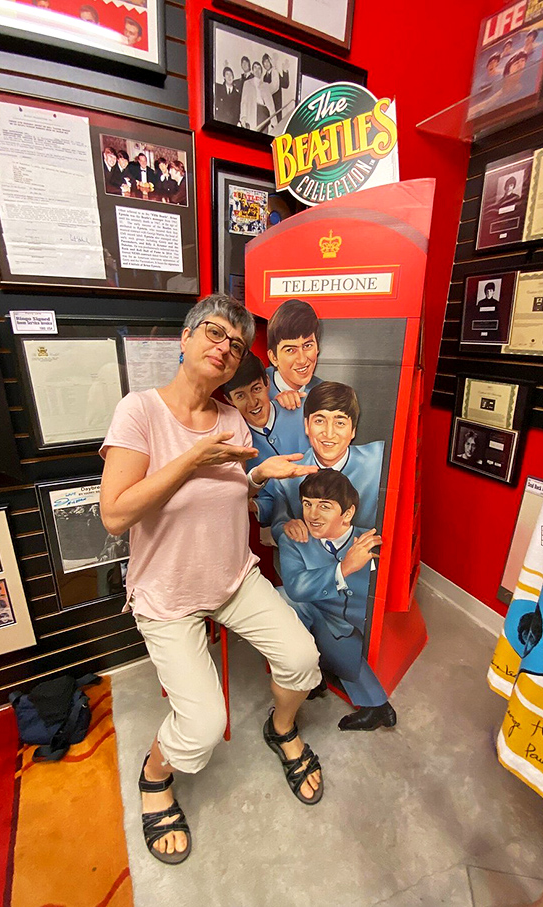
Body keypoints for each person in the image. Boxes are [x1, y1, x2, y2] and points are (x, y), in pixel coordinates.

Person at [100, 294, 325, 865]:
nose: (225, 349)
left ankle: (281, 728)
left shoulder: (228, 417)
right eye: (215, 334)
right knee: (201, 726)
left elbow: (220, 493)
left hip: (232, 578)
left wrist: (255, 477)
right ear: (186, 338)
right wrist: (189, 461)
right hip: (168, 593)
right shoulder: (139, 412)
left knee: (302, 659)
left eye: (236, 344)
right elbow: (116, 514)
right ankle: (156, 772)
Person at [279, 470, 396, 731]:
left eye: (324, 506)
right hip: (326, 615)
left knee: (334, 630)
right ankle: (312, 675)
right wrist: (343, 569)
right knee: (283, 600)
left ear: (348, 513)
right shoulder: (295, 539)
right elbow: (296, 587)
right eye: (307, 504)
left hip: (366, 621)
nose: (312, 514)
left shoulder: (371, 540)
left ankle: (375, 706)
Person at [256, 381, 385, 540]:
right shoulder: (287, 477)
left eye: (339, 423)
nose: (329, 433)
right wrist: (286, 527)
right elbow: (278, 524)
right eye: (319, 421)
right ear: (307, 426)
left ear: (353, 430)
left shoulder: (379, 458)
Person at [223, 353, 309, 473]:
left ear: (267, 383)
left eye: (256, 389)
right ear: (230, 400)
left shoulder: (302, 409)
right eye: (240, 396)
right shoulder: (237, 444)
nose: (253, 403)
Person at [266, 299, 322, 410]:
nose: (302, 360)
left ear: (317, 348)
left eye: (307, 346)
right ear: (273, 357)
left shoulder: (324, 393)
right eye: (290, 350)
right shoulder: (255, 387)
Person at [239, 61, 276, 132]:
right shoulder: (247, 83)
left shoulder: (265, 85)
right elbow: (244, 101)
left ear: (261, 72)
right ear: (252, 71)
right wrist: (243, 116)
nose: (257, 70)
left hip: (264, 113)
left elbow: (271, 105)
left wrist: (274, 122)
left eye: (259, 68)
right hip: (252, 112)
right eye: (255, 68)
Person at [261, 53, 291, 130]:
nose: (266, 64)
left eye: (268, 61)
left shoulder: (275, 72)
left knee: (278, 126)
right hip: (269, 105)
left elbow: (285, 84)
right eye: (265, 62)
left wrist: (285, 70)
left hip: (277, 104)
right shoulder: (264, 77)